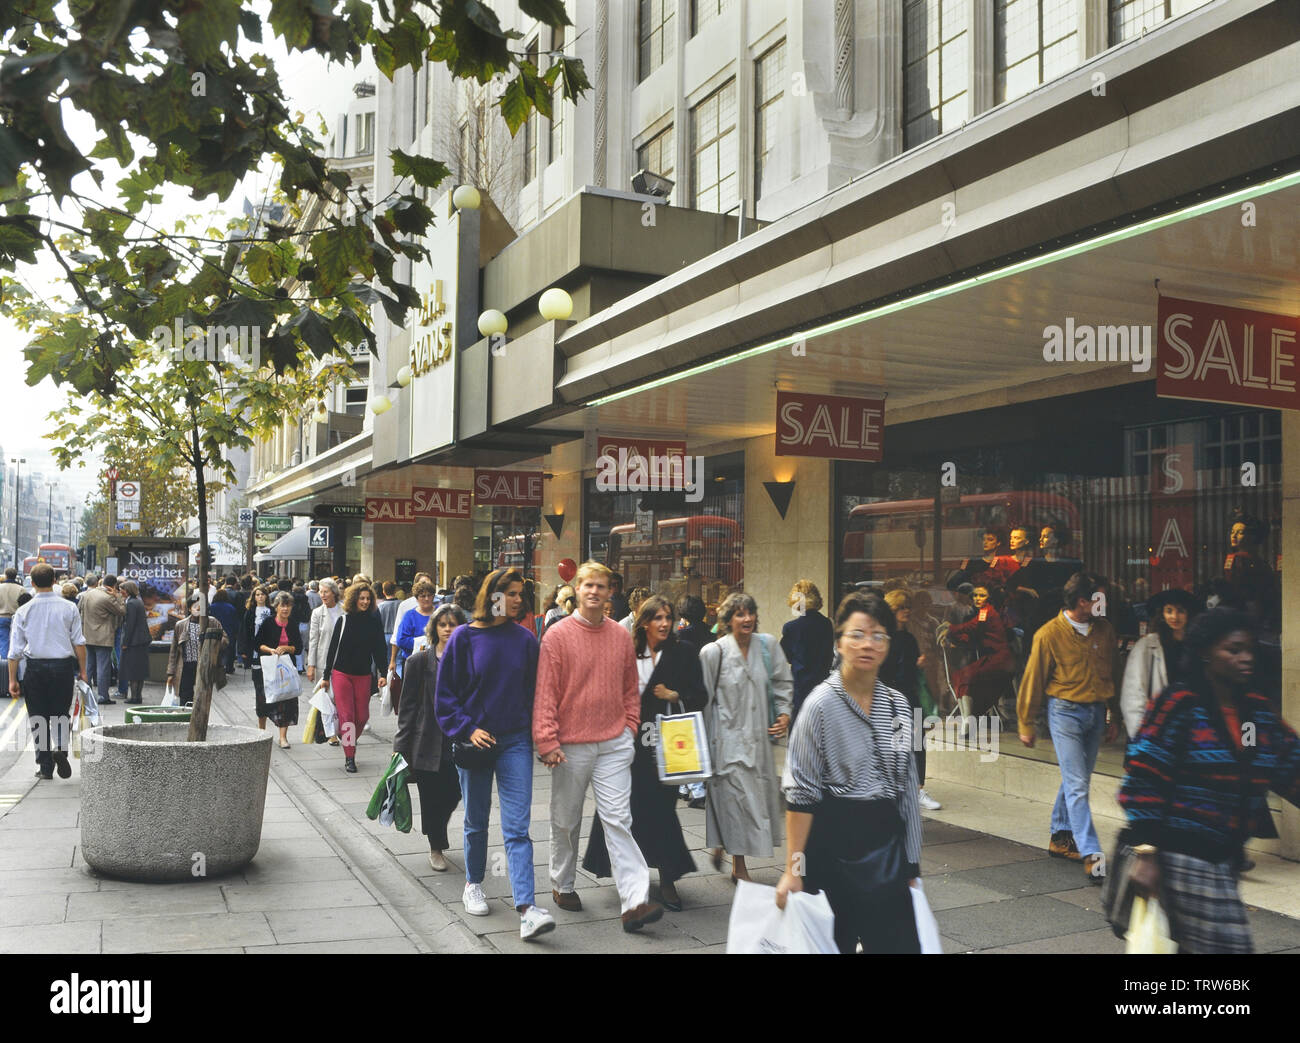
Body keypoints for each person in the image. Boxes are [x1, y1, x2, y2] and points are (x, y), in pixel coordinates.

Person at [1119, 609, 1300, 953]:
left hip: (1225, 857)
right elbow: (1145, 777)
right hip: (1182, 856)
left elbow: (1282, 763)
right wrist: (1146, 853)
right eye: (1233, 650)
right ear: (1205, 652)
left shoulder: (1252, 713)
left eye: (1249, 649)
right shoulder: (1181, 705)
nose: (1245, 658)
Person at [776, 591, 925, 954]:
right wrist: (794, 869)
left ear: (888, 645)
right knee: (830, 945)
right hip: (831, 841)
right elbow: (801, 794)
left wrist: (912, 865)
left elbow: (906, 789)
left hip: (884, 841)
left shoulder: (898, 705)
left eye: (878, 635)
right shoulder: (819, 705)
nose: (867, 644)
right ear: (839, 642)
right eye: (857, 634)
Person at [535, 560, 663, 932]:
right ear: (576, 589)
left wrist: (630, 728)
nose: (594, 591)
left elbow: (630, 687)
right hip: (570, 746)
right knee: (565, 820)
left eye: (601, 586)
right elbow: (545, 693)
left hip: (612, 743)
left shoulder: (620, 636)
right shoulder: (557, 636)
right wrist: (547, 739)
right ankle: (562, 883)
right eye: (588, 585)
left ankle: (635, 901)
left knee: (619, 821)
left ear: (610, 593)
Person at [436, 568, 554, 941]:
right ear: (493, 595)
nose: (519, 599)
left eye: (522, 593)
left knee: (517, 827)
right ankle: (473, 882)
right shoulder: (463, 638)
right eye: (512, 593)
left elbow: (538, 691)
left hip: (516, 739)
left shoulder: (524, 639)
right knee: (476, 819)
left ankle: (527, 908)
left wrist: (545, 737)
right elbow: (445, 696)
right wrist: (468, 728)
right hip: (476, 742)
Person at [582, 594, 705, 912]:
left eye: (668, 617)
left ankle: (667, 879)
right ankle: (630, 878)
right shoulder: (628, 651)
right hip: (629, 743)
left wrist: (675, 693)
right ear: (644, 622)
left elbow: (701, 695)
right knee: (625, 808)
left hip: (668, 744)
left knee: (664, 810)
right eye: (657, 618)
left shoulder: (684, 652)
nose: (664, 623)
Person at [1016, 571, 1120, 881]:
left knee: (1078, 779)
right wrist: (1026, 722)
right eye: (1099, 598)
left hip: (1096, 711)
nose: (1106, 603)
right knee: (1077, 785)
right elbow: (1033, 678)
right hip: (1064, 712)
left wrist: (1114, 715)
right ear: (1082, 601)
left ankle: (1060, 835)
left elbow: (1114, 671)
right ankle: (1092, 853)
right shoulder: (1048, 634)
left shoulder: (1105, 630)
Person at [699, 592, 793, 883]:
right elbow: (703, 699)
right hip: (725, 739)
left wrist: (784, 713)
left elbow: (782, 682)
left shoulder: (768, 646)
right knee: (737, 798)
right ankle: (739, 866)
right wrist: (702, 747)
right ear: (728, 621)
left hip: (758, 738)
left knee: (754, 802)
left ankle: (723, 843)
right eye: (739, 614)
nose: (747, 618)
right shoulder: (713, 653)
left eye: (750, 612)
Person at [394, 604, 466, 871]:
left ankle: (438, 831)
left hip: (458, 739)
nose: (448, 629)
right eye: (443, 624)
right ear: (434, 628)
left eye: (453, 624)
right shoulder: (418, 662)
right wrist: (400, 746)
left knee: (454, 793)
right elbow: (407, 707)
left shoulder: (468, 659)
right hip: (426, 740)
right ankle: (436, 846)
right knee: (431, 796)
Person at [6, 563, 87, 779]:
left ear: (31, 583)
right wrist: (84, 671)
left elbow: (14, 652)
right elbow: (79, 643)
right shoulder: (69, 608)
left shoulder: (23, 611)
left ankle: (45, 767)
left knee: (38, 717)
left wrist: (12, 680)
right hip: (62, 667)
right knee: (60, 713)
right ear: (54, 581)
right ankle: (60, 749)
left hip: (35, 668)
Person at [882, 589, 941, 812]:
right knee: (895, 745)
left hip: (910, 696)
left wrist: (919, 664)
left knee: (918, 743)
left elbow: (911, 671)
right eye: (901, 608)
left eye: (907, 607)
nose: (906, 611)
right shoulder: (883, 639)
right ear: (891, 611)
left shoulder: (908, 638)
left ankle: (917, 789)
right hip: (890, 699)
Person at [321, 582, 388, 772]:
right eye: (362, 598)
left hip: (363, 675)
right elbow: (332, 649)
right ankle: (350, 756)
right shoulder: (344, 620)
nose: (365, 602)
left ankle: (347, 738)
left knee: (362, 716)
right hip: (341, 674)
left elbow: (380, 649)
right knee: (348, 716)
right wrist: (326, 676)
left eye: (368, 598)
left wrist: (383, 673)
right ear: (354, 599)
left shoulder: (374, 622)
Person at [1120, 588, 1198, 741]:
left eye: (1180, 611)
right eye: (1169, 611)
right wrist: (1141, 733)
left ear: (1189, 614)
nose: (1174, 616)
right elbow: (1133, 693)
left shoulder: (1198, 647)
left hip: (1190, 729)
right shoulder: (1147, 646)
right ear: (1162, 614)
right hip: (1155, 730)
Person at [779, 579, 834, 721]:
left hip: (800, 687)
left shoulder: (791, 628)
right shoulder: (827, 624)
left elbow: (785, 655)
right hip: (823, 686)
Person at [255, 592, 302, 749]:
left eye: (288, 605)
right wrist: (271, 650)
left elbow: (299, 648)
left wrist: (286, 648)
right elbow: (257, 644)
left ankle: (283, 737)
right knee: (263, 701)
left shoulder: (293, 624)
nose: (285, 609)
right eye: (282, 605)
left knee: (286, 701)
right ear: (276, 607)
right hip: (268, 667)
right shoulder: (268, 622)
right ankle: (261, 733)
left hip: (286, 668)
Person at [166, 594, 228, 706]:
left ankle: (200, 719)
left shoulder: (212, 622)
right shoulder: (180, 625)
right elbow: (174, 651)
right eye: (195, 606)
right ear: (189, 608)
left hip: (205, 665)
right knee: (185, 696)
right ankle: (186, 719)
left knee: (203, 696)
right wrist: (171, 672)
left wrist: (213, 639)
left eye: (201, 606)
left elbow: (225, 640)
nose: (198, 609)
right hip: (186, 666)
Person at [78, 573, 125, 706]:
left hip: (87, 636)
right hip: (103, 638)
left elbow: (79, 611)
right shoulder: (108, 598)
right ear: (114, 586)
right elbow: (122, 611)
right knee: (103, 668)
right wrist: (118, 596)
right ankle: (103, 696)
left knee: (89, 667)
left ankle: (85, 695)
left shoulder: (87, 594)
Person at [390, 580, 436, 682]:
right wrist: (425, 643)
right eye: (422, 596)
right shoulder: (409, 615)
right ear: (416, 598)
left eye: (430, 595)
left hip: (435, 663)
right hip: (413, 663)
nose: (427, 598)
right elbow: (401, 639)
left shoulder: (439, 614)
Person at [117, 581, 151, 704]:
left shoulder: (131, 603)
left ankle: (134, 697)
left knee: (132, 670)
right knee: (139, 671)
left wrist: (125, 642)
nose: (121, 592)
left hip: (134, 642)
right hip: (141, 640)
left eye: (122, 590)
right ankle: (138, 696)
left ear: (128, 590)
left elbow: (130, 625)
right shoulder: (138, 601)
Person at [306, 578, 343, 685]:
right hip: (323, 661)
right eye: (320, 592)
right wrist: (311, 665)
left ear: (334, 593)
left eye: (326, 592)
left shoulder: (345, 611)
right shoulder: (317, 613)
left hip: (342, 661)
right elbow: (313, 640)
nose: (322, 595)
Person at [0, 566, 22, 697]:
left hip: (1, 617)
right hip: (15, 618)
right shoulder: (21, 589)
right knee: (16, 644)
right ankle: (16, 672)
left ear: (6, 575)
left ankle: (5, 672)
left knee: (4, 644)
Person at [209, 588, 239, 676]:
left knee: (215, 650)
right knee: (230, 650)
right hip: (229, 631)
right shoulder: (231, 607)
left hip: (214, 631)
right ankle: (229, 667)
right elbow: (235, 621)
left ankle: (216, 667)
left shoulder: (212, 607)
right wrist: (236, 631)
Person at [377, 581, 402, 647]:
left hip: (384, 636)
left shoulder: (380, 606)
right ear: (395, 591)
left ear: (383, 592)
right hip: (397, 635)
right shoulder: (401, 604)